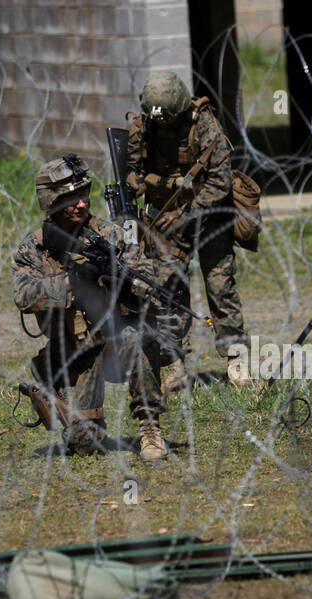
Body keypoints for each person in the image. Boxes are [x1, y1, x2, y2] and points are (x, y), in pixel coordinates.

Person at [11, 154, 172, 461]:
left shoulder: (109, 235)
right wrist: (73, 283)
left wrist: (128, 283)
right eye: (71, 199)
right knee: (84, 445)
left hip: (116, 340)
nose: (82, 204)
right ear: (52, 202)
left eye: (84, 195)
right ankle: (53, 383)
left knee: (140, 339)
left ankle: (150, 430)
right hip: (75, 350)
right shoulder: (35, 247)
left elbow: (147, 274)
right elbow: (24, 294)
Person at [126, 71, 251, 392]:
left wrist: (184, 216)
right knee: (168, 292)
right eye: (158, 120)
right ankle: (175, 364)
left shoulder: (205, 127)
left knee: (221, 290)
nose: (162, 125)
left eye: (168, 119)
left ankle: (237, 361)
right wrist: (134, 180)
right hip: (166, 220)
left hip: (208, 221)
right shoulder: (145, 126)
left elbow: (220, 184)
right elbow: (135, 164)